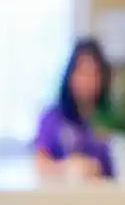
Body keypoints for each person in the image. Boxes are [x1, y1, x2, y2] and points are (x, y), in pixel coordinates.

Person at [33, 38, 115, 179]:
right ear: (70, 75)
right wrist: (70, 168)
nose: (88, 81)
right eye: (83, 72)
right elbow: (40, 164)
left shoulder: (111, 118)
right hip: (63, 191)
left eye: (94, 73)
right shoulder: (52, 118)